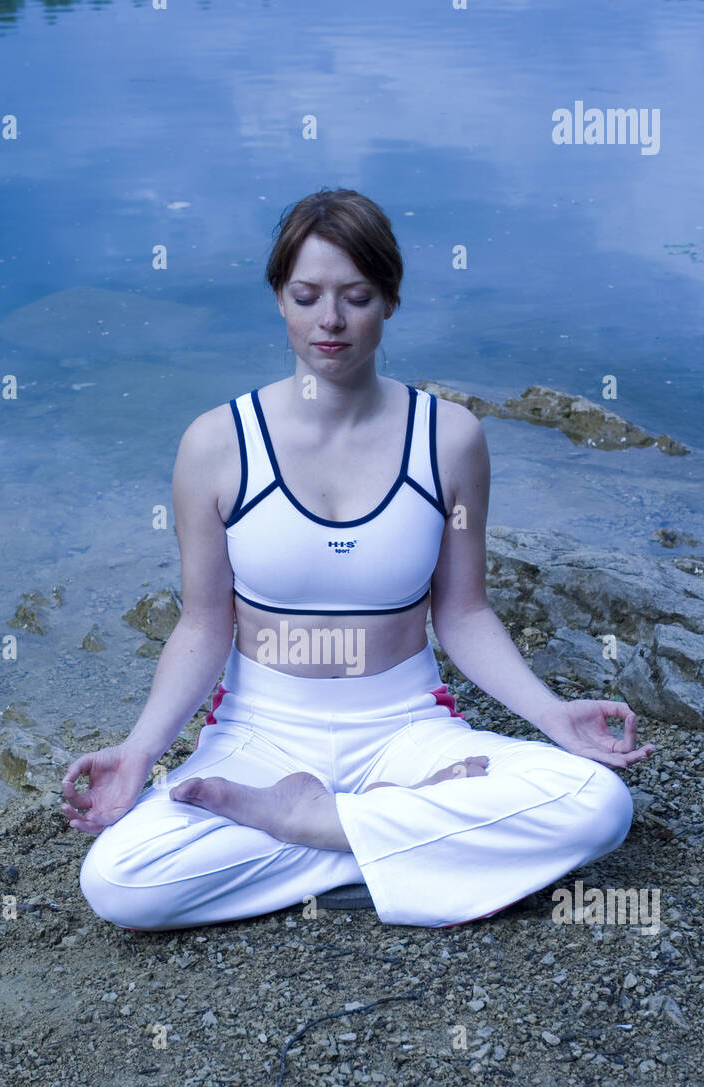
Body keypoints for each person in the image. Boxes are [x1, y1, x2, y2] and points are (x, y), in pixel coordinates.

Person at [62, 188, 655, 931]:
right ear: (279, 298)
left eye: (356, 296)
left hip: (407, 730)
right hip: (260, 735)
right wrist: (138, 750)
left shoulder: (449, 439)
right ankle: (408, 840)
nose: (330, 321)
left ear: (390, 301)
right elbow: (202, 622)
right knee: (120, 882)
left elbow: (464, 613)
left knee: (599, 808)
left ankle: (319, 828)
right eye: (306, 295)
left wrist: (549, 715)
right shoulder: (215, 444)